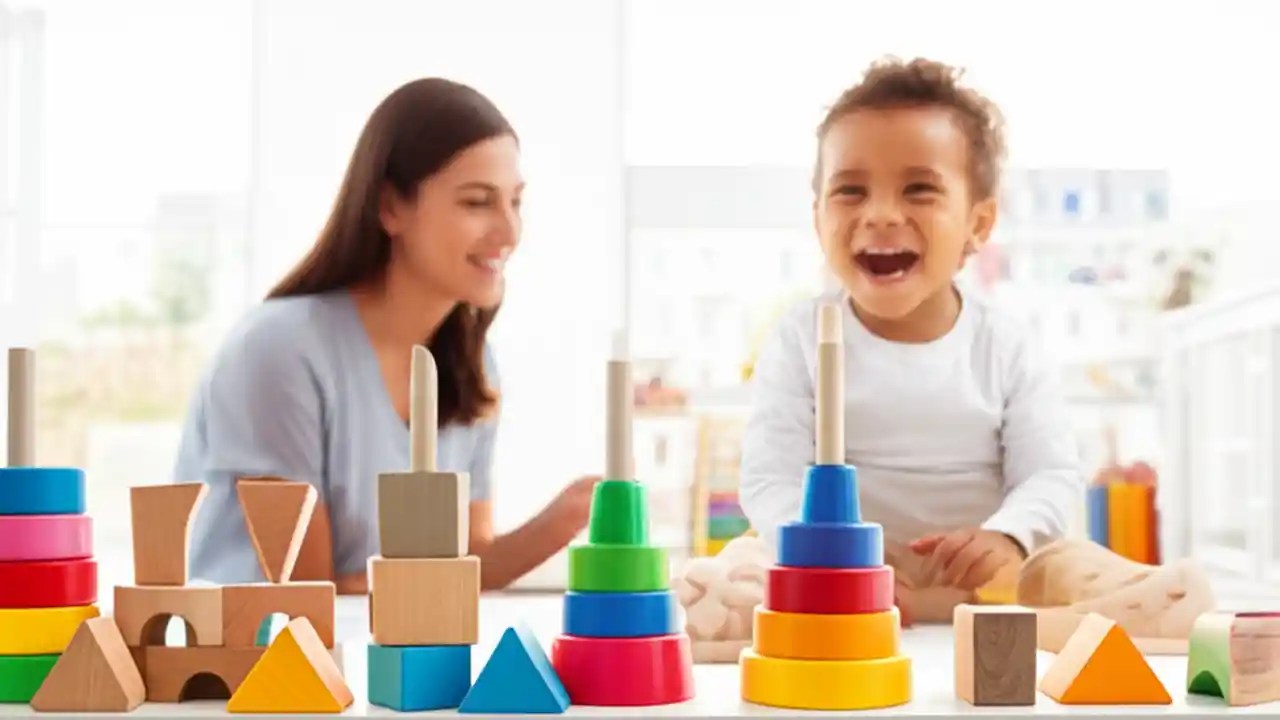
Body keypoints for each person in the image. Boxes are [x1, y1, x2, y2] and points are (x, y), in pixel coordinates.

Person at [173, 78, 599, 593]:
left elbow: (462, 566)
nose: (509, 233)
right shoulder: (278, 352)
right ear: (390, 207)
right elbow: (310, 597)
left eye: (515, 202)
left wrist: (567, 518)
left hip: (381, 658)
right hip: (260, 666)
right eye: (477, 203)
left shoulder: (471, 364)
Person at [738, 58, 1083, 610]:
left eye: (919, 189)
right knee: (735, 570)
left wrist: (1009, 535)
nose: (879, 214)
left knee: (1080, 569)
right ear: (817, 218)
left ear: (979, 223)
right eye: (850, 191)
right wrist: (826, 555)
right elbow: (767, 481)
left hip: (985, 600)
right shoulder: (799, 337)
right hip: (840, 594)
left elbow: (1049, 475)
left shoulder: (1007, 344)